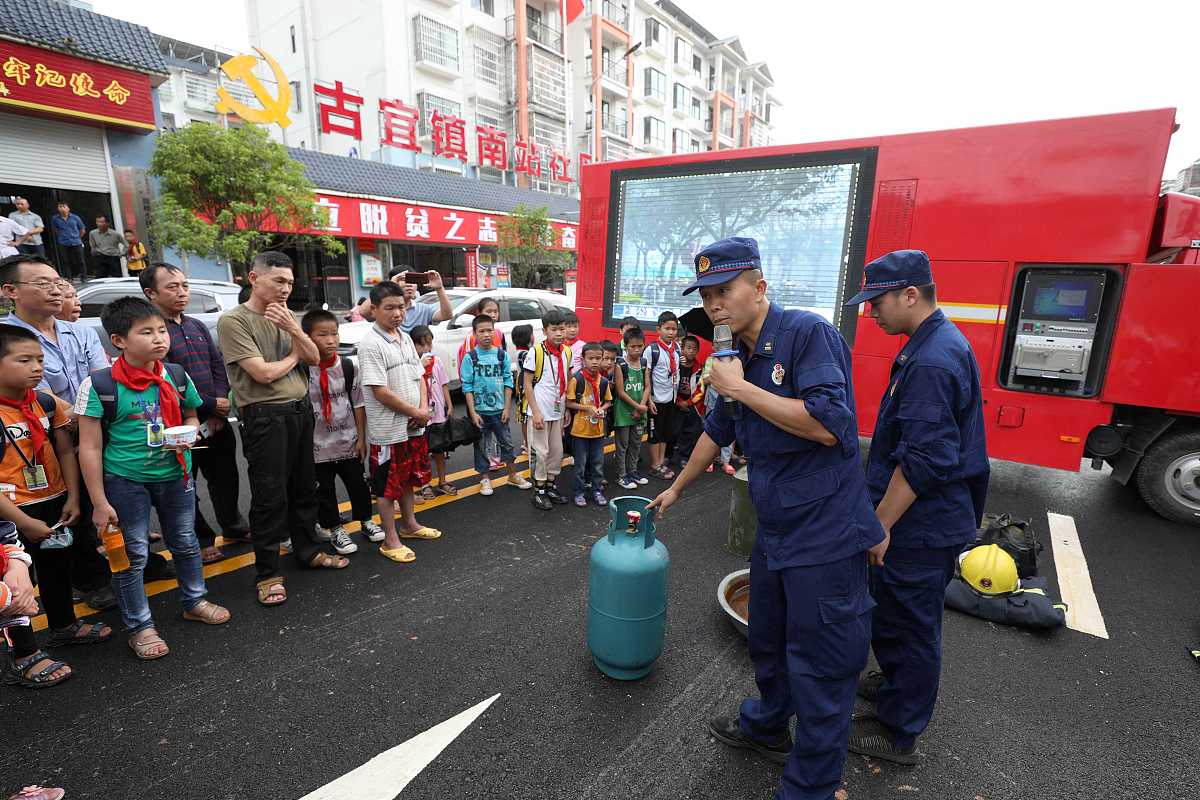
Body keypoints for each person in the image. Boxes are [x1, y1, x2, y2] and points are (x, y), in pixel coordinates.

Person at [649, 236, 883, 800]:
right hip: (776, 530)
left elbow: (830, 425)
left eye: (724, 291)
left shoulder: (806, 334)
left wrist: (742, 389)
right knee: (770, 641)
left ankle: (809, 787)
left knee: (824, 666)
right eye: (706, 296)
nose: (715, 306)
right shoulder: (733, 361)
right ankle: (767, 726)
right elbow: (716, 430)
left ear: (760, 288)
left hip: (826, 533)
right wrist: (676, 490)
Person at [841, 249, 990, 765]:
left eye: (877, 301)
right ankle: (894, 691)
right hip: (925, 519)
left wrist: (879, 526)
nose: (871, 312)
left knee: (910, 627)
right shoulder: (932, 343)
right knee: (899, 619)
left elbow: (925, 458)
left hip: (921, 524)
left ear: (910, 295)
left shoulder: (931, 358)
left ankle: (899, 734)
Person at [77, 297, 232, 660]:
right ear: (118, 340)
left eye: (161, 330)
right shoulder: (99, 385)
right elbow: (89, 448)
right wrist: (99, 502)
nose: (159, 338)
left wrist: (191, 432)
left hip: (175, 473)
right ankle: (140, 625)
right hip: (124, 480)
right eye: (146, 332)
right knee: (132, 555)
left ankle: (194, 600)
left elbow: (193, 415)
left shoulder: (175, 375)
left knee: (185, 541)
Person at [217, 251, 342, 608]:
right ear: (254, 279)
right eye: (278, 281)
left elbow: (316, 358)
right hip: (265, 417)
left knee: (305, 488)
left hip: (300, 412)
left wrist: (291, 329)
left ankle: (308, 551)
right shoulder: (234, 321)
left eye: (289, 282)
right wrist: (294, 356)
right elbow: (263, 374)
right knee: (271, 496)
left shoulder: (288, 317)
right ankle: (268, 572)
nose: (286, 288)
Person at [0, 254, 113, 610]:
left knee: (100, 501)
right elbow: (36, 395)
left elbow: (102, 381)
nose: (55, 289)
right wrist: (81, 412)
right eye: (42, 283)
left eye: (57, 282)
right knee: (54, 520)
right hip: (38, 437)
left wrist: (87, 412)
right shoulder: (8, 339)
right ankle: (84, 583)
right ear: (10, 290)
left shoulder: (80, 331)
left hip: (92, 431)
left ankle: (110, 568)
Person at [0, 325, 109, 689]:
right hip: (12, 513)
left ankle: (64, 625)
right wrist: (22, 521)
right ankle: (24, 653)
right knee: (16, 586)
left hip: (55, 500)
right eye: (24, 360)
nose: (37, 367)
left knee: (57, 566)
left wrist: (74, 497)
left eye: (40, 360)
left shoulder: (44, 402)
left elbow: (64, 450)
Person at [142, 262, 250, 564]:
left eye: (184, 286)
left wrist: (220, 400)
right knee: (186, 484)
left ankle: (233, 525)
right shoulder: (153, 333)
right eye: (172, 287)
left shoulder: (196, 325)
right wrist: (209, 405)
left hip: (216, 419)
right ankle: (201, 539)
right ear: (151, 293)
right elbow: (165, 380)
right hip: (180, 425)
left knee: (226, 476)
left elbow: (217, 363)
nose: (181, 292)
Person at [357, 281, 440, 563]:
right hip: (387, 431)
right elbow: (379, 391)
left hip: (411, 426)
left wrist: (421, 408)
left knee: (406, 478)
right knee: (385, 486)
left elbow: (419, 377)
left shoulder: (404, 337)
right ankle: (390, 540)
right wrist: (414, 412)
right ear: (375, 309)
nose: (397, 313)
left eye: (400, 307)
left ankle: (410, 525)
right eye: (389, 308)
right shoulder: (370, 344)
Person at [301, 309, 385, 554]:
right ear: (307, 337)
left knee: (357, 484)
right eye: (322, 335)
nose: (331, 340)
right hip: (318, 445)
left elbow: (358, 403)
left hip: (347, 440)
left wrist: (361, 437)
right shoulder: (303, 369)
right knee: (324, 491)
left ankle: (366, 520)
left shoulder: (348, 366)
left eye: (334, 334)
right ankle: (335, 528)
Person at [461, 314, 532, 497]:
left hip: (500, 410)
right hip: (480, 411)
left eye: (489, 330)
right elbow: (467, 386)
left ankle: (512, 474)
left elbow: (509, 382)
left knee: (507, 443)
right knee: (482, 446)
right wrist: (472, 412)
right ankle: (484, 477)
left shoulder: (502, 355)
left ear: (495, 332)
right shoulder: (471, 357)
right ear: (474, 334)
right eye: (481, 331)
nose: (486, 334)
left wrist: (507, 407)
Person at [523, 308, 572, 511]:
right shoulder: (536, 352)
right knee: (541, 453)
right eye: (554, 329)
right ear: (545, 331)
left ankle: (551, 486)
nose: (559, 333)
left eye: (562, 329)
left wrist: (566, 408)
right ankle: (539, 491)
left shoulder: (567, 352)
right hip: (540, 412)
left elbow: (566, 382)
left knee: (556, 452)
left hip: (557, 411)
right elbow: (527, 384)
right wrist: (535, 412)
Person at [455, 296, 506, 471]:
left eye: (495, 311)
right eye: (488, 311)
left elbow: (502, 361)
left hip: (497, 396)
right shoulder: (472, 339)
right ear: (479, 314)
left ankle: (495, 457)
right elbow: (468, 369)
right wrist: (472, 406)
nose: (492, 315)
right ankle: (488, 460)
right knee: (483, 433)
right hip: (479, 397)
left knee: (500, 431)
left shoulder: (499, 334)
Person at [410, 325, 456, 500]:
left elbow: (444, 384)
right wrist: (420, 367)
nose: (427, 349)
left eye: (429, 344)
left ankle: (442, 480)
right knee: (421, 452)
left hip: (437, 413)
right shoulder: (412, 364)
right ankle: (424, 484)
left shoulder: (436, 361)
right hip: (422, 414)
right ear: (413, 346)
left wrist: (449, 405)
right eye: (422, 345)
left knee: (440, 448)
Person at [566, 342, 612, 507]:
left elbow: (608, 402)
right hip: (580, 431)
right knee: (580, 464)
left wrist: (601, 409)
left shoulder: (604, 381)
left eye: (598, 358)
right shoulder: (577, 380)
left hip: (597, 431)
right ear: (583, 359)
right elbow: (569, 403)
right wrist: (588, 408)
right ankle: (579, 492)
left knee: (598, 464)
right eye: (590, 358)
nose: (594, 362)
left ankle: (597, 490)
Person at [645, 311, 681, 480]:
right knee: (655, 433)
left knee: (666, 432)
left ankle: (660, 462)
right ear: (659, 329)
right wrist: (649, 398)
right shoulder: (652, 350)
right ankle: (654, 465)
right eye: (667, 328)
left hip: (670, 398)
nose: (671, 332)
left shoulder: (677, 349)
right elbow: (647, 374)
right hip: (656, 399)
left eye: (674, 329)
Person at [614, 327, 650, 490]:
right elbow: (621, 392)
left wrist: (642, 407)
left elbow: (647, 386)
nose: (636, 350)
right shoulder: (620, 364)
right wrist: (638, 407)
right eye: (633, 347)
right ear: (625, 346)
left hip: (639, 411)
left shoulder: (643, 363)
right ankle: (622, 476)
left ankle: (632, 471)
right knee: (623, 445)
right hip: (624, 412)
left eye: (640, 346)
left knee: (636, 444)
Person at [386, 267, 454, 335]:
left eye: (413, 280)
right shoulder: (383, 310)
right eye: (403, 280)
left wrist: (439, 288)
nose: (409, 284)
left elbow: (447, 315)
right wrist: (390, 287)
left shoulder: (423, 309)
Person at [672, 334, 703, 468]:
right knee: (674, 430)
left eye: (694, 349)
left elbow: (701, 389)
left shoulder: (700, 368)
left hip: (692, 406)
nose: (691, 351)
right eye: (688, 348)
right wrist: (679, 401)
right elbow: (671, 385)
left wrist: (688, 403)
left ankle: (685, 457)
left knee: (690, 432)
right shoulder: (676, 365)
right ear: (682, 349)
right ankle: (669, 456)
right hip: (676, 403)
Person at [510, 323, 534, 465]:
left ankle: (526, 442)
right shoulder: (524, 354)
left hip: (520, 388)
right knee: (525, 417)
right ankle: (527, 443)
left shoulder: (520, 352)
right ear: (527, 337)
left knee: (523, 417)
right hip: (524, 390)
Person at [48, 204, 86, 282]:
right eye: (59, 207)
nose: (62, 208)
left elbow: (82, 229)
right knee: (66, 261)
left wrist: (77, 237)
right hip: (63, 242)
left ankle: (84, 277)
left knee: (80, 260)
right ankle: (69, 277)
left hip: (76, 241)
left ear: (68, 208)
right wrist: (62, 236)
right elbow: (55, 229)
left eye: (63, 207)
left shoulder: (75, 217)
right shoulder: (55, 218)